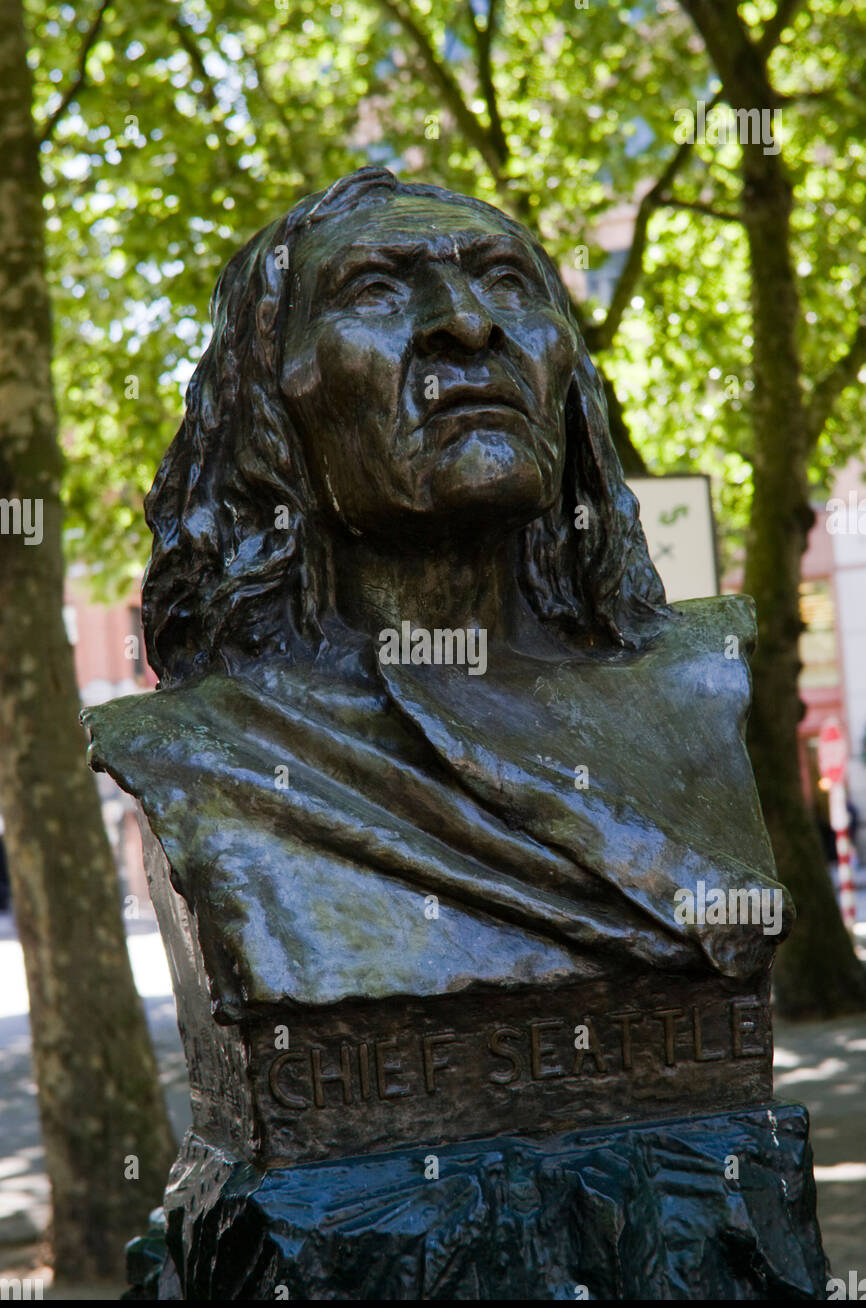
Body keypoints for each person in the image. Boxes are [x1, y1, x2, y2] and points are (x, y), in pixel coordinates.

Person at [83, 168, 788, 1018]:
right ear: (270, 404)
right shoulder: (201, 752)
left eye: (506, 281)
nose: (468, 322)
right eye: (376, 290)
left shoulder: (699, 682)